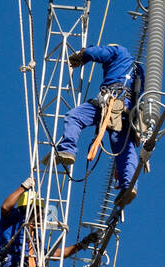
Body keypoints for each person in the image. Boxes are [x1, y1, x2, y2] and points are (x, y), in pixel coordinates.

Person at [54, 42, 143, 205]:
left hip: (110, 101)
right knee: (124, 149)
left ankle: (67, 150)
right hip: (128, 112)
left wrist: (84, 53)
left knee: (74, 117)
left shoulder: (118, 50)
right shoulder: (139, 71)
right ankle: (129, 185)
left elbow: (99, 53)